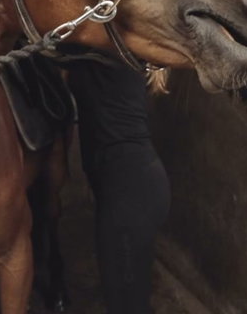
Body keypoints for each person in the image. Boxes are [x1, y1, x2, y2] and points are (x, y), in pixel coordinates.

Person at [63, 55, 171, 314]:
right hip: (128, 186)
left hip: (132, 190)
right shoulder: (106, 53)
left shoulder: (109, 53)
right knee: (128, 293)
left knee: (125, 303)